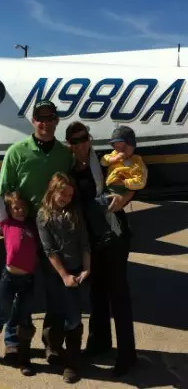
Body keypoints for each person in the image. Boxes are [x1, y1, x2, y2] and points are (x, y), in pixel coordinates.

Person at [0, 100, 74, 366]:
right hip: (26, 228)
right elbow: (3, 194)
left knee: (54, 290)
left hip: (54, 229)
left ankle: (53, 345)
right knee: (21, 293)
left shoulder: (65, 155)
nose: (44, 123)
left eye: (50, 118)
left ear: (56, 121)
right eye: (39, 118)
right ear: (33, 121)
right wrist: (8, 231)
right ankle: (15, 344)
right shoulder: (17, 152)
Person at [65, 121, 138, 377]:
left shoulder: (105, 161)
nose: (81, 144)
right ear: (69, 146)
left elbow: (134, 175)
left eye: (84, 138)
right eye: (75, 141)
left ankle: (128, 354)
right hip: (89, 239)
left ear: (89, 138)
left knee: (118, 294)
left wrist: (126, 197)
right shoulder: (68, 169)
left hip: (114, 234)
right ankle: (100, 342)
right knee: (97, 293)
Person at [0, 191, 39, 376]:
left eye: (23, 208)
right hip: (9, 278)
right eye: (15, 208)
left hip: (28, 279)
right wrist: (8, 193)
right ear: (9, 210)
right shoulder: (5, 224)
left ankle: (23, 359)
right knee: (4, 313)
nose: (20, 211)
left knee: (25, 317)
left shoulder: (31, 227)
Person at [37, 172, 91, 384]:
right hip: (56, 273)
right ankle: (54, 348)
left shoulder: (75, 213)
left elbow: (84, 242)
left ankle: (72, 361)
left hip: (76, 271)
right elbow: (49, 250)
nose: (66, 198)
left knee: (74, 316)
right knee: (55, 310)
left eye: (70, 195)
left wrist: (86, 268)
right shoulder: (43, 216)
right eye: (63, 193)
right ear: (53, 191)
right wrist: (64, 275)